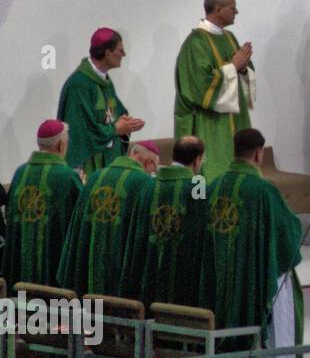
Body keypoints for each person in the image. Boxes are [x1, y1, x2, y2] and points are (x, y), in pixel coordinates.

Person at [208, 128, 303, 358]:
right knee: (274, 338)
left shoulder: (213, 186)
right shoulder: (265, 191)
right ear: (259, 154)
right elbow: (289, 237)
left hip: (222, 287)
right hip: (258, 284)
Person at [57, 140, 160, 296]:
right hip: (119, 272)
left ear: (132, 153)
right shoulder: (146, 184)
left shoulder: (94, 177)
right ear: (149, 162)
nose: (153, 171)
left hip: (87, 266)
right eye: (154, 168)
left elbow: (76, 228)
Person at [174, 0, 254, 178]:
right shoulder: (195, 43)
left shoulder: (229, 37)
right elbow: (199, 87)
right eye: (232, 7)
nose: (237, 11)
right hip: (210, 124)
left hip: (235, 120)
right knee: (212, 179)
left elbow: (239, 72)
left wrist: (243, 68)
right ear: (218, 9)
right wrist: (233, 67)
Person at [1, 120, 83, 286]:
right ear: (60, 146)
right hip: (54, 262)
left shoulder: (20, 173)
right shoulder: (67, 176)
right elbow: (80, 221)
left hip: (21, 262)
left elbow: (9, 214)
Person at [133, 136, 211, 308]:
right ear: (197, 160)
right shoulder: (198, 187)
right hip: (185, 276)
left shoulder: (148, 185)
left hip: (149, 271)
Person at [57, 28, 145, 175]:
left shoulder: (104, 81)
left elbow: (115, 114)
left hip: (108, 157)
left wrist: (127, 123)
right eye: (120, 50)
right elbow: (81, 131)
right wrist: (116, 129)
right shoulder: (79, 85)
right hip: (89, 164)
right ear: (107, 53)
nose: (124, 54)